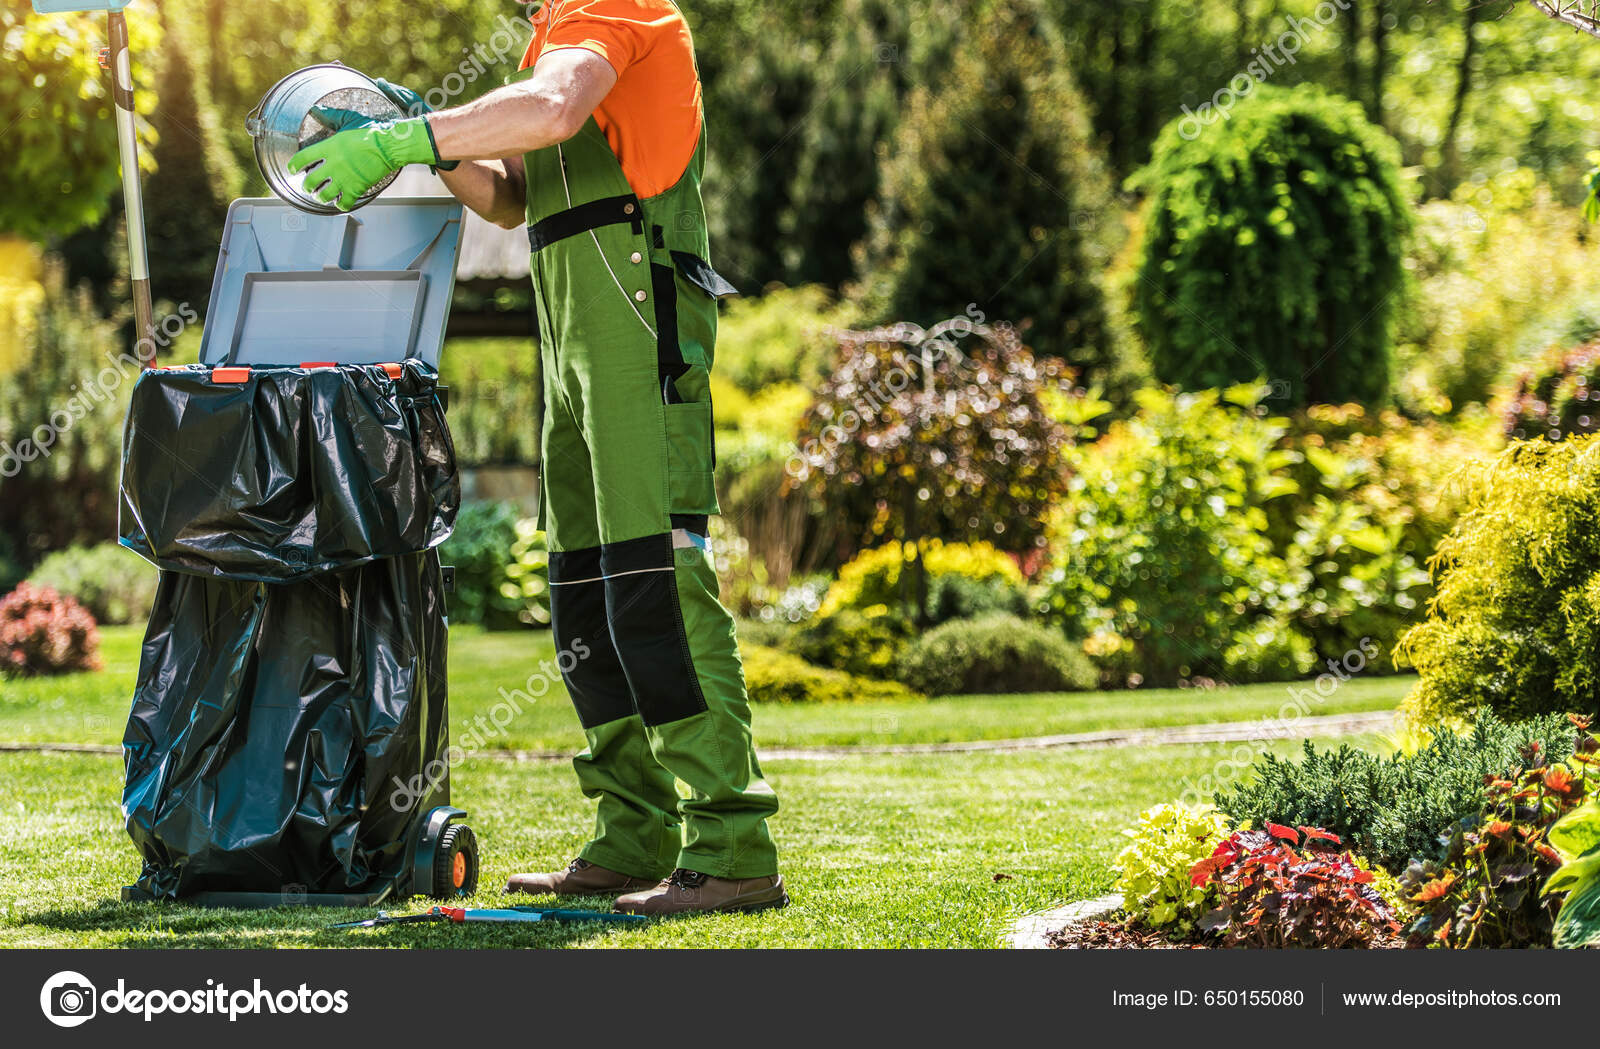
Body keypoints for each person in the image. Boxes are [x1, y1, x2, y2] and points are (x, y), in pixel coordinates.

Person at [288, 0, 784, 916]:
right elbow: (511, 200)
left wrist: (406, 136)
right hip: (567, 331)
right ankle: (634, 830)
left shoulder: (618, 10)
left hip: (637, 312)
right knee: (587, 587)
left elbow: (556, 108)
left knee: (657, 577)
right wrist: (431, 148)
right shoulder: (552, 30)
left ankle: (733, 840)